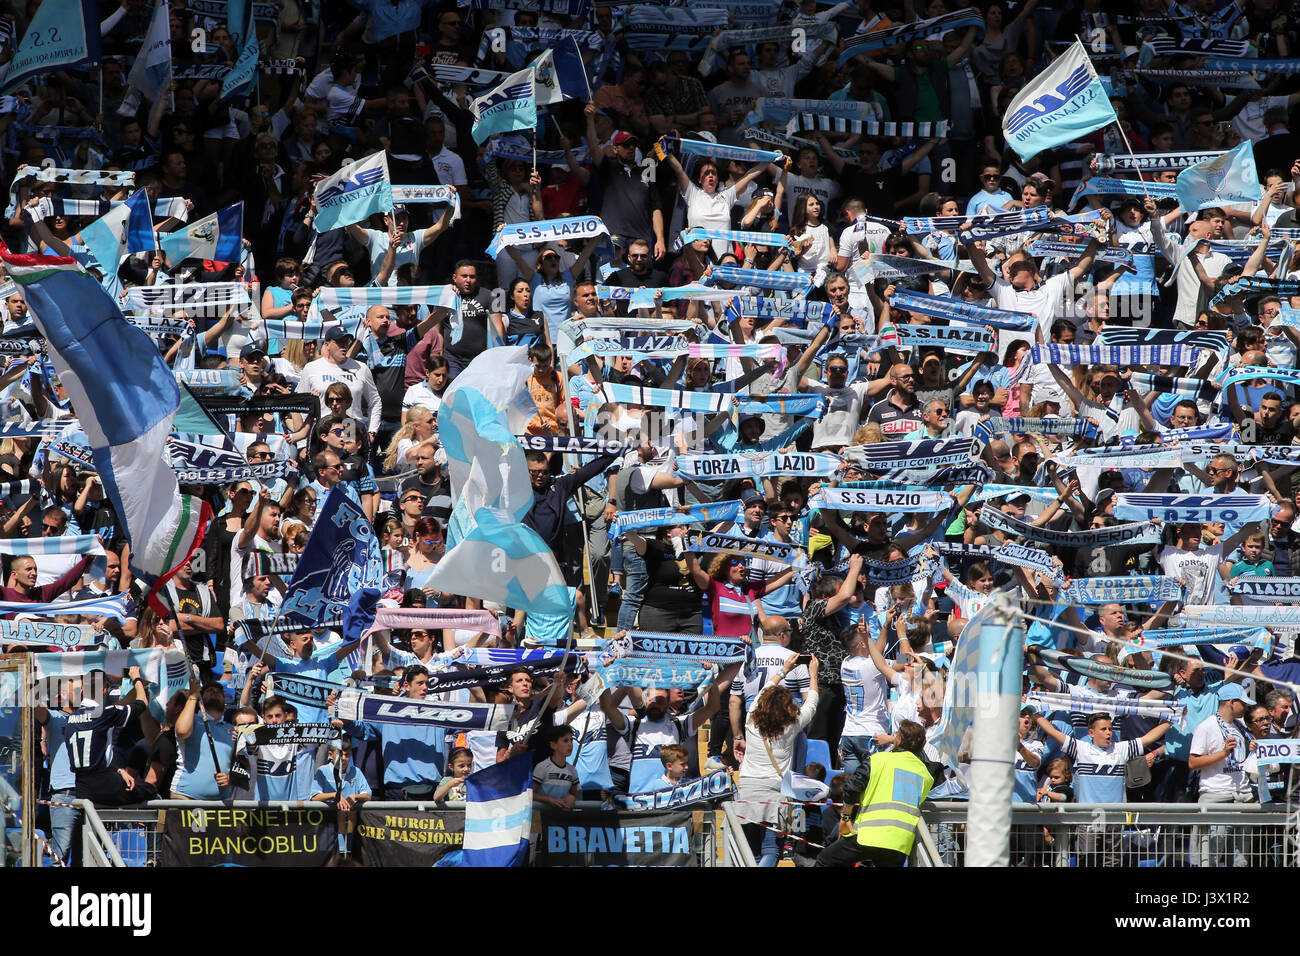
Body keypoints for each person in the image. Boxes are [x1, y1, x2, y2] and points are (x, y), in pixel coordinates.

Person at [734, 655, 820, 866]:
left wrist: (784, 670)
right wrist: (813, 675)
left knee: (751, 849)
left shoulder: (751, 718)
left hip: (748, 786)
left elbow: (762, 692)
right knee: (771, 848)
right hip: (775, 790)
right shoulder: (792, 725)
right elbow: (812, 703)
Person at [816, 720, 934, 867]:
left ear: (899, 740)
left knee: (824, 861)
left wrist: (846, 817)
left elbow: (852, 787)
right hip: (900, 843)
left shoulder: (877, 760)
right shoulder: (926, 775)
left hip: (868, 836)